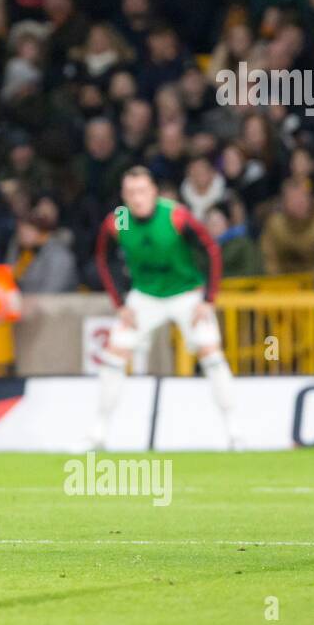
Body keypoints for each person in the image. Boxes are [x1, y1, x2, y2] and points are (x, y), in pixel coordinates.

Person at [93, 166, 237, 449]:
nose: (137, 198)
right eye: (131, 193)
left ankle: (234, 432)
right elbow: (103, 258)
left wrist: (208, 298)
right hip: (144, 297)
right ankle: (98, 433)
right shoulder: (119, 221)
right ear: (123, 195)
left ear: (154, 192)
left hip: (186, 294)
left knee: (212, 355)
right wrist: (120, 303)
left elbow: (211, 250)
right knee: (114, 355)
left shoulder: (175, 215)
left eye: (142, 191)